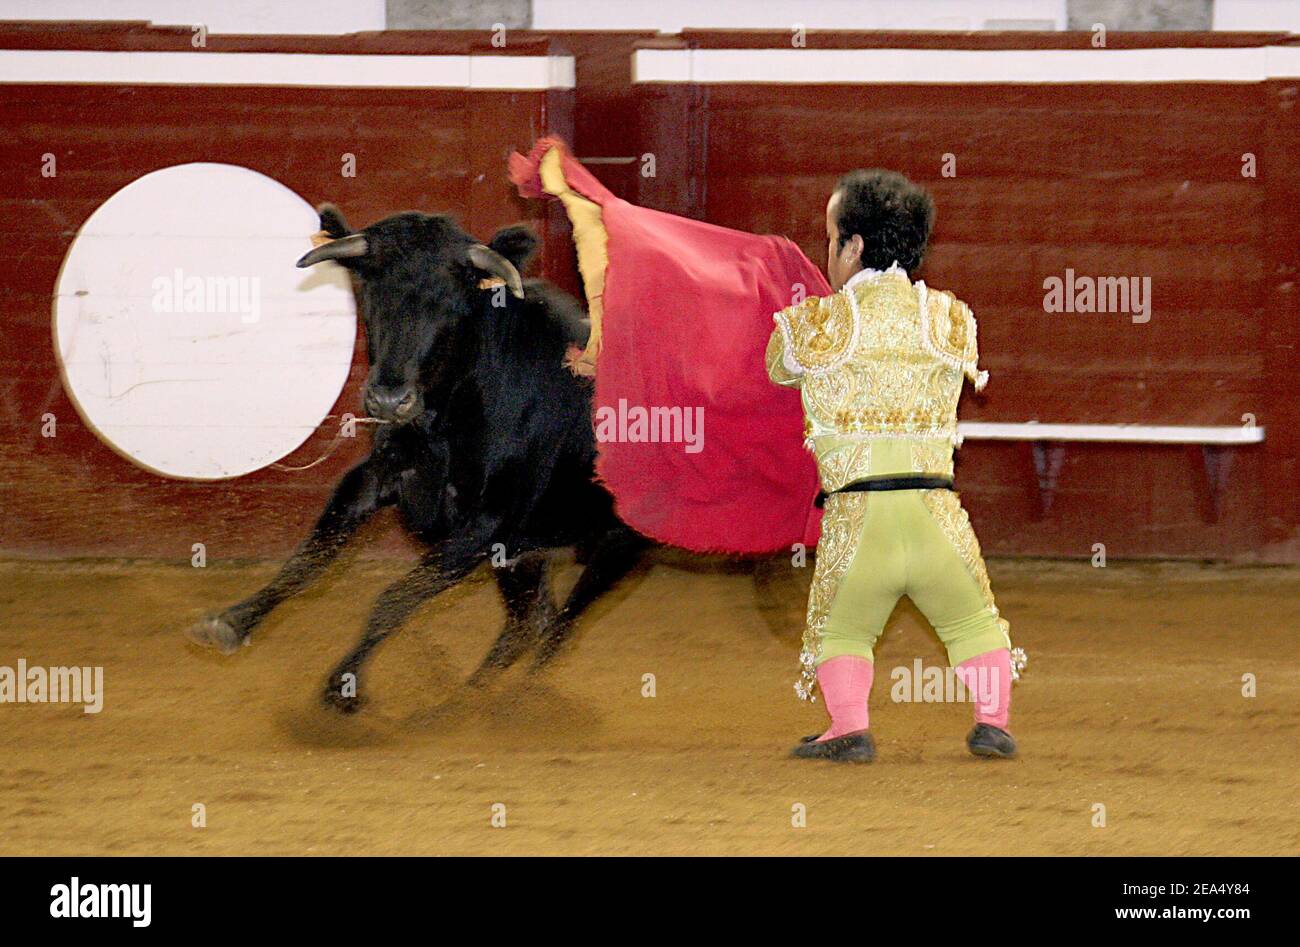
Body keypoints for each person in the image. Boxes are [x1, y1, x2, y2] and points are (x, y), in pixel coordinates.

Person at [767, 170, 1026, 763]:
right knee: (974, 622)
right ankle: (994, 722)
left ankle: (849, 728)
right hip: (938, 514)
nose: (824, 250)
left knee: (843, 631)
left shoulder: (816, 325)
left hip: (859, 522)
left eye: (830, 237)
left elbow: (777, 368)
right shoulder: (952, 320)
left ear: (853, 245)